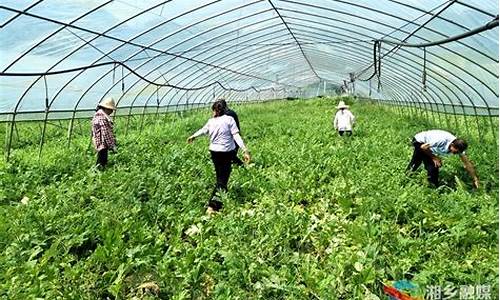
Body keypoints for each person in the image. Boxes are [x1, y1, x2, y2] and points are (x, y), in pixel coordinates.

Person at [187, 100, 251, 214]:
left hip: (214, 152)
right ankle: (213, 207)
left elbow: (203, 130)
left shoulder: (211, 121)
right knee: (222, 181)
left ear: (215, 110)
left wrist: (193, 136)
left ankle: (216, 203)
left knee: (220, 177)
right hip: (226, 152)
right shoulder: (229, 120)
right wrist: (245, 150)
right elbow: (236, 136)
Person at [406, 129, 479, 188]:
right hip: (419, 141)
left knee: (418, 161)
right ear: (452, 145)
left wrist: (475, 179)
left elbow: (467, 164)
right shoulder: (442, 140)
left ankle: (407, 176)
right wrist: (435, 158)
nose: (455, 153)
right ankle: (432, 188)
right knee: (431, 165)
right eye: (455, 152)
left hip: (426, 145)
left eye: (457, 153)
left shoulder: (458, 146)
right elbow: (423, 147)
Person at [92, 97, 117, 169]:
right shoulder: (101, 118)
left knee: (102, 159)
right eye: (111, 109)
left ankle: (99, 172)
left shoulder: (98, 115)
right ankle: (97, 173)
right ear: (106, 108)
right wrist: (112, 146)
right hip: (102, 143)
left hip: (100, 143)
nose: (112, 111)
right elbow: (105, 133)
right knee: (101, 161)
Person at [219, 99, 244, 166]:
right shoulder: (230, 112)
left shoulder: (228, 114)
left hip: (233, 140)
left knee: (230, 156)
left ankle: (243, 166)